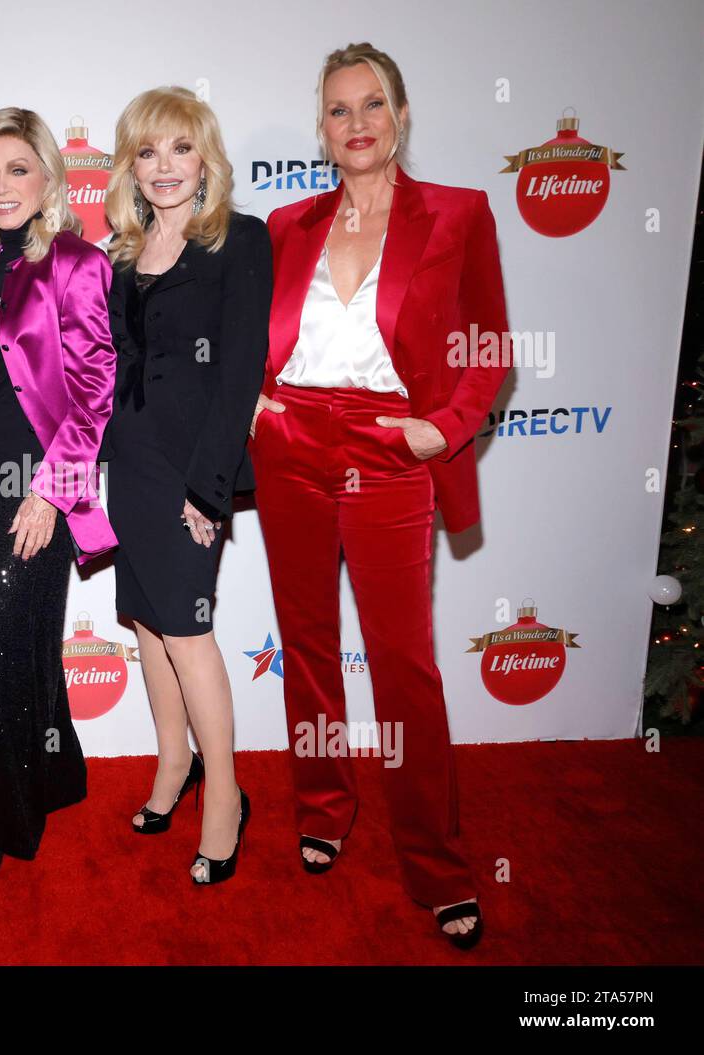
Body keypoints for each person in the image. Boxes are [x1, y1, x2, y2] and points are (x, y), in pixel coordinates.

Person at [248, 43, 511, 947]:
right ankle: (322, 808)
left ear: (400, 114)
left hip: (392, 446)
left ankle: (437, 863)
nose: (356, 124)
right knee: (309, 643)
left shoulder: (458, 215)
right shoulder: (286, 225)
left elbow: (489, 343)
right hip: (291, 446)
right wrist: (254, 397)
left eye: (371, 105)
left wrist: (448, 425)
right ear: (321, 128)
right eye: (337, 110)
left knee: (405, 664)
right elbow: (247, 330)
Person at [102, 87, 272, 884]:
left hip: (189, 473)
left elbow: (239, 374)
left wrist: (208, 490)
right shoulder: (120, 254)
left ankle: (227, 798)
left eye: (178, 148)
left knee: (189, 633)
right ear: (130, 167)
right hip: (129, 467)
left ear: (205, 157)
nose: (163, 166)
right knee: (146, 623)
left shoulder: (239, 240)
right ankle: (176, 766)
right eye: (147, 151)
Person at [0, 107, 116, 883]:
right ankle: (58, 775)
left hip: (36, 495)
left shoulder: (77, 262)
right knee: (14, 645)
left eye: (19, 167)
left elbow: (94, 394)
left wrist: (52, 493)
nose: (3, 183)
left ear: (50, 178)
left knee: (5, 661)